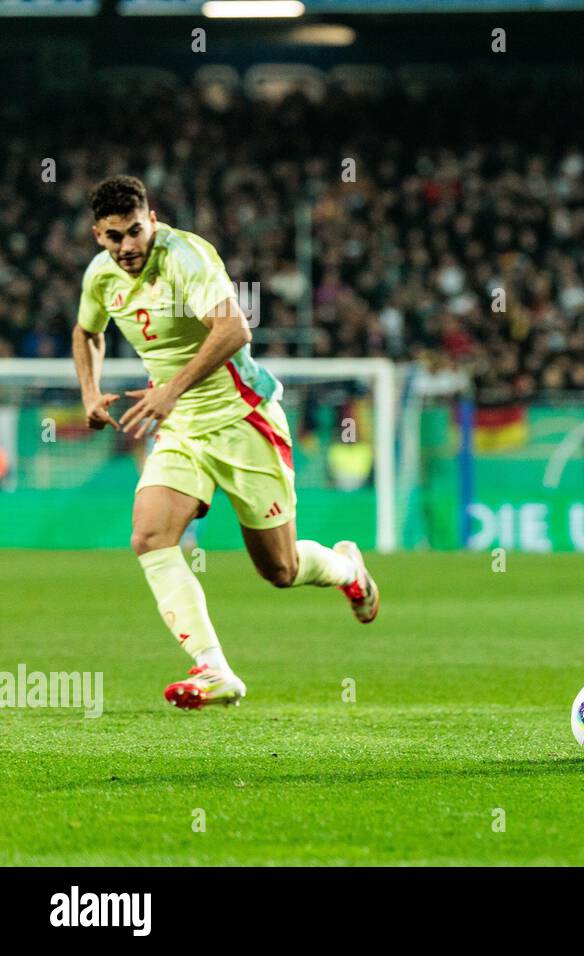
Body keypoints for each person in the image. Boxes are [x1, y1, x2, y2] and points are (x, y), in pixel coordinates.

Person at [71, 176, 379, 710]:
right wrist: (90, 392)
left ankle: (348, 568)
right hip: (181, 426)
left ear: (153, 218)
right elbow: (87, 333)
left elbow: (235, 329)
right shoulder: (101, 276)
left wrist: (169, 389)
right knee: (149, 536)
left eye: (136, 231)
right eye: (115, 235)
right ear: (99, 234)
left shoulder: (187, 257)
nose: (128, 246)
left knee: (278, 570)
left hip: (244, 419)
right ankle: (214, 671)